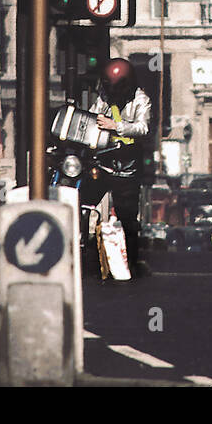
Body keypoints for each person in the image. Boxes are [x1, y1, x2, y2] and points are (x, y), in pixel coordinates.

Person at [88, 58, 152, 276]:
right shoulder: (104, 97)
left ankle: (132, 260)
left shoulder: (141, 100)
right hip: (103, 160)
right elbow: (93, 115)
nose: (110, 92)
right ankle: (89, 250)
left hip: (128, 165)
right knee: (86, 202)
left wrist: (116, 126)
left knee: (127, 216)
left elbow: (143, 128)